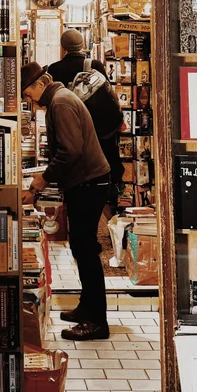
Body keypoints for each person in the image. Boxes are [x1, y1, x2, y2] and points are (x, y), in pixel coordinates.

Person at [21, 61, 110, 340]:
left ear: (40, 84)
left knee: (86, 249)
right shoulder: (59, 100)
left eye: (27, 93)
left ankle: (97, 321)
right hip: (85, 182)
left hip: (89, 182)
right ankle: (87, 307)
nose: (28, 100)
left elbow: (70, 151)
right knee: (80, 247)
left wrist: (41, 180)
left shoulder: (60, 102)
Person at [47, 28, 122, 206]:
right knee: (102, 162)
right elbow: (107, 93)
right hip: (99, 127)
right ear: (82, 45)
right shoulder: (94, 65)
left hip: (72, 125)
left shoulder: (54, 69)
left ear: (63, 47)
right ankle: (110, 196)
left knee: (77, 161)